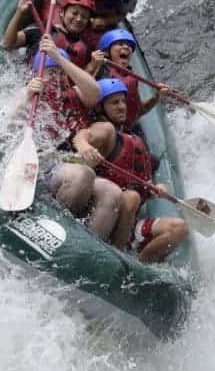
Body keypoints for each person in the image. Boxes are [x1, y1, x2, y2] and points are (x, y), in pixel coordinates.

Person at [72, 78, 189, 263]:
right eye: (114, 102)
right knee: (131, 197)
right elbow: (84, 134)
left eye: (123, 101)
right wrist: (82, 144)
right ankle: (117, 256)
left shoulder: (132, 137)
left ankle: (137, 266)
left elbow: (138, 182)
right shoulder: (105, 129)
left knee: (179, 228)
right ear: (101, 107)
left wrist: (155, 189)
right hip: (106, 215)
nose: (121, 107)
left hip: (130, 224)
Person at [25, 35, 120, 239]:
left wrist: (58, 58)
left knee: (111, 192)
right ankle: (53, 234)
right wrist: (26, 96)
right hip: (36, 168)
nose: (56, 77)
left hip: (63, 165)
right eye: (51, 72)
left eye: (60, 73)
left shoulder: (73, 94)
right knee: (82, 174)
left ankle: (90, 247)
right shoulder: (29, 94)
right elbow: (7, 121)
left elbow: (94, 91)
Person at [86, 28, 168, 130]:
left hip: (129, 129)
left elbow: (140, 111)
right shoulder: (100, 70)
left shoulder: (131, 77)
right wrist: (93, 65)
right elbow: (83, 87)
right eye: (120, 44)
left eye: (129, 45)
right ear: (106, 52)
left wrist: (157, 97)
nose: (126, 47)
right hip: (107, 131)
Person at [2, 0, 99, 68]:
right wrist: (19, 12)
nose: (78, 19)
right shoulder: (43, 29)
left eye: (84, 16)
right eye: (74, 13)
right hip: (29, 83)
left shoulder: (85, 48)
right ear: (62, 13)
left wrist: (92, 66)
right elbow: (8, 43)